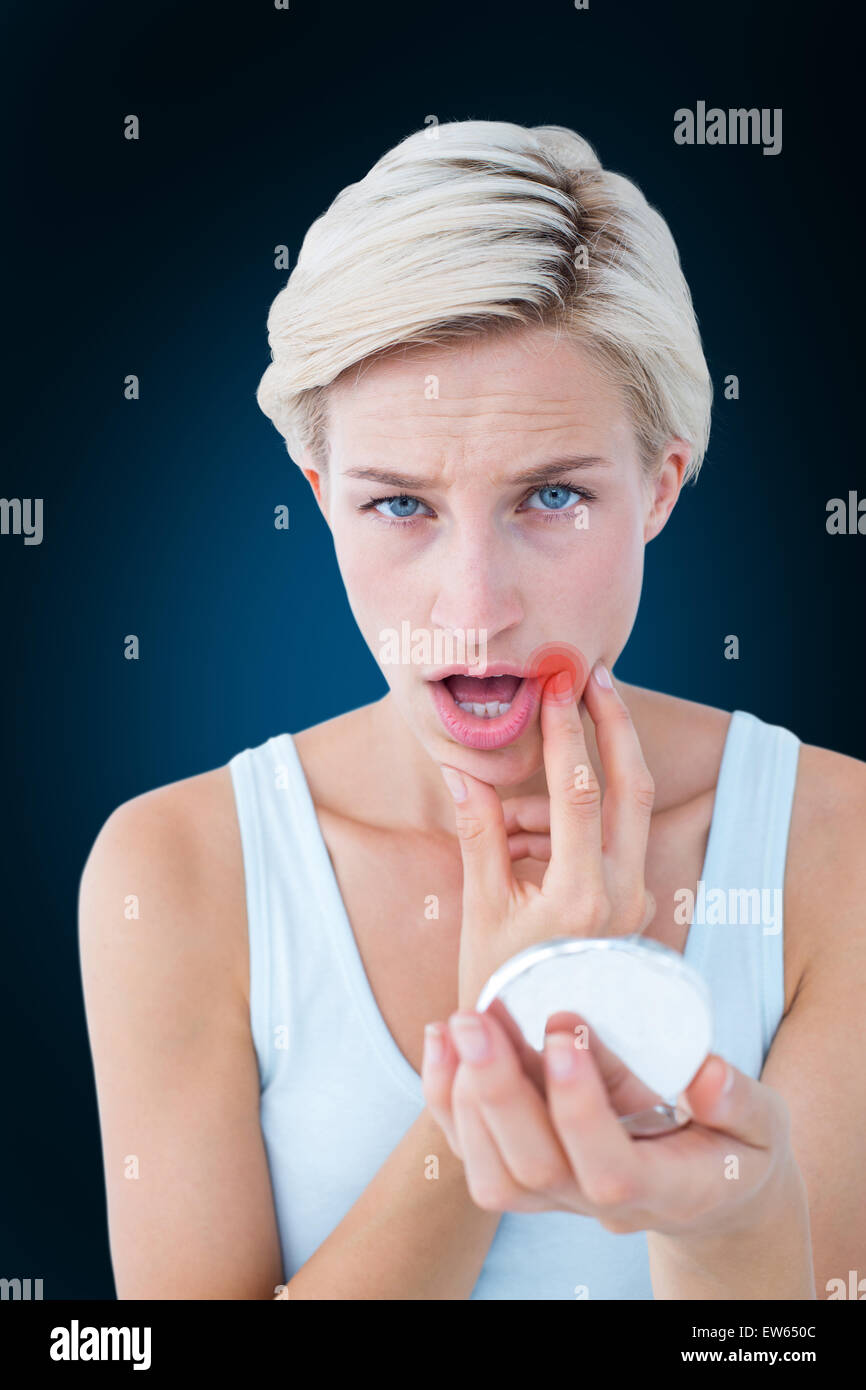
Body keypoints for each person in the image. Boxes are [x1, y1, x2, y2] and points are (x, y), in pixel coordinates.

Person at [79, 120, 866, 1300]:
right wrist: (500, 1033)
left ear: (660, 483)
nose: (472, 609)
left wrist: (731, 1216)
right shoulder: (178, 869)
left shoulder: (836, 850)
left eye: (550, 495)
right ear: (318, 496)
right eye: (399, 505)